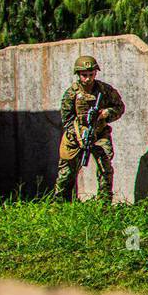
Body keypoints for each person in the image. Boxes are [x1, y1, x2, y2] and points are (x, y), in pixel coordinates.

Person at [53, 55, 125, 201]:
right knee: (66, 173)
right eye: (84, 75)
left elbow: (119, 107)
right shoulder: (71, 94)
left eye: (90, 75)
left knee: (105, 169)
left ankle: (104, 206)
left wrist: (106, 113)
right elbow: (67, 120)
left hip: (99, 134)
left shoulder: (104, 90)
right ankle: (60, 205)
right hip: (76, 136)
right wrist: (79, 134)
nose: (87, 79)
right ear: (78, 75)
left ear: (95, 73)